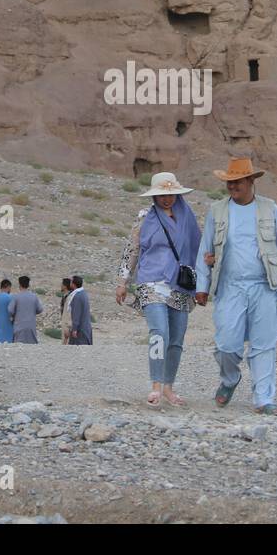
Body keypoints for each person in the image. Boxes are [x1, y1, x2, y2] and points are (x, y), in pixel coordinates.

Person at [195, 158, 277, 416]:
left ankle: (264, 399)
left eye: (237, 182)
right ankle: (230, 379)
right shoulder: (217, 211)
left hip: (263, 286)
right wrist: (202, 285)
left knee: (264, 345)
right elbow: (206, 250)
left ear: (251, 181)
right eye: (229, 182)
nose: (232, 186)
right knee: (226, 345)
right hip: (229, 287)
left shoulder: (270, 209)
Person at [115, 171, 202, 408]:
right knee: (159, 333)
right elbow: (131, 249)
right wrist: (122, 281)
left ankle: (168, 387)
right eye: (162, 194)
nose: (167, 199)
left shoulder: (188, 219)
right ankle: (155, 385)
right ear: (154, 195)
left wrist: (204, 284)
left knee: (176, 340)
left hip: (181, 285)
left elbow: (199, 250)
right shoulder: (145, 217)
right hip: (150, 282)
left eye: (171, 194)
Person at [9, 276, 42, 343]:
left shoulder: (16, 297)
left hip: (19, 327)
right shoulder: (34, 296)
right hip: (31, 328)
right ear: (28, 285)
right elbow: (40, 309)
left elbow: (10, 310)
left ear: (20, 284)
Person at [66, 274, 93, 345]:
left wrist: (74, 329)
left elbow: (76, 314)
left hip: (80, 330)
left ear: (74, 284)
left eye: (71, 281)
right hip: (85, 327)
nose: (70, 283)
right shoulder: (83, 293)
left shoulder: (77, 296)